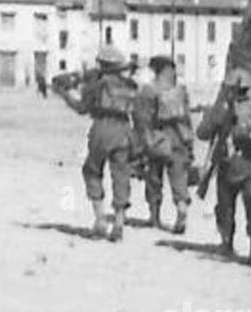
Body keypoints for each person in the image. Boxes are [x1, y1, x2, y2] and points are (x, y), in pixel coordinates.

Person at [57, 45, 140, 242]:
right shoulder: (130, 85)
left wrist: (65, 95)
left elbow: (82, 108)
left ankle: (100, 219)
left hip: (102, 128)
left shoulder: (97, 85)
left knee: (92, 170)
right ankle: (119, 222)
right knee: (121, 175)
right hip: (124, 129)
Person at [196, 69, 251, 264]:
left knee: (245, 206)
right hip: (236, 164)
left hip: (244, 163)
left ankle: (245, 248)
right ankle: (236, 245)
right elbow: (203, 133)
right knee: (234, 207)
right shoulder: (228, 109)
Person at [137, 55, 194, 233]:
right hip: (179, 136)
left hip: (158, 137)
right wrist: (189, 142)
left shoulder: (149, 90)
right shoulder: (180, 90)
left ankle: (154, 217)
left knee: (154, 178)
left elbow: (143, 118)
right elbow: (187, 117)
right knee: (179, 177)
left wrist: (142, 143)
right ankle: (181, 208)